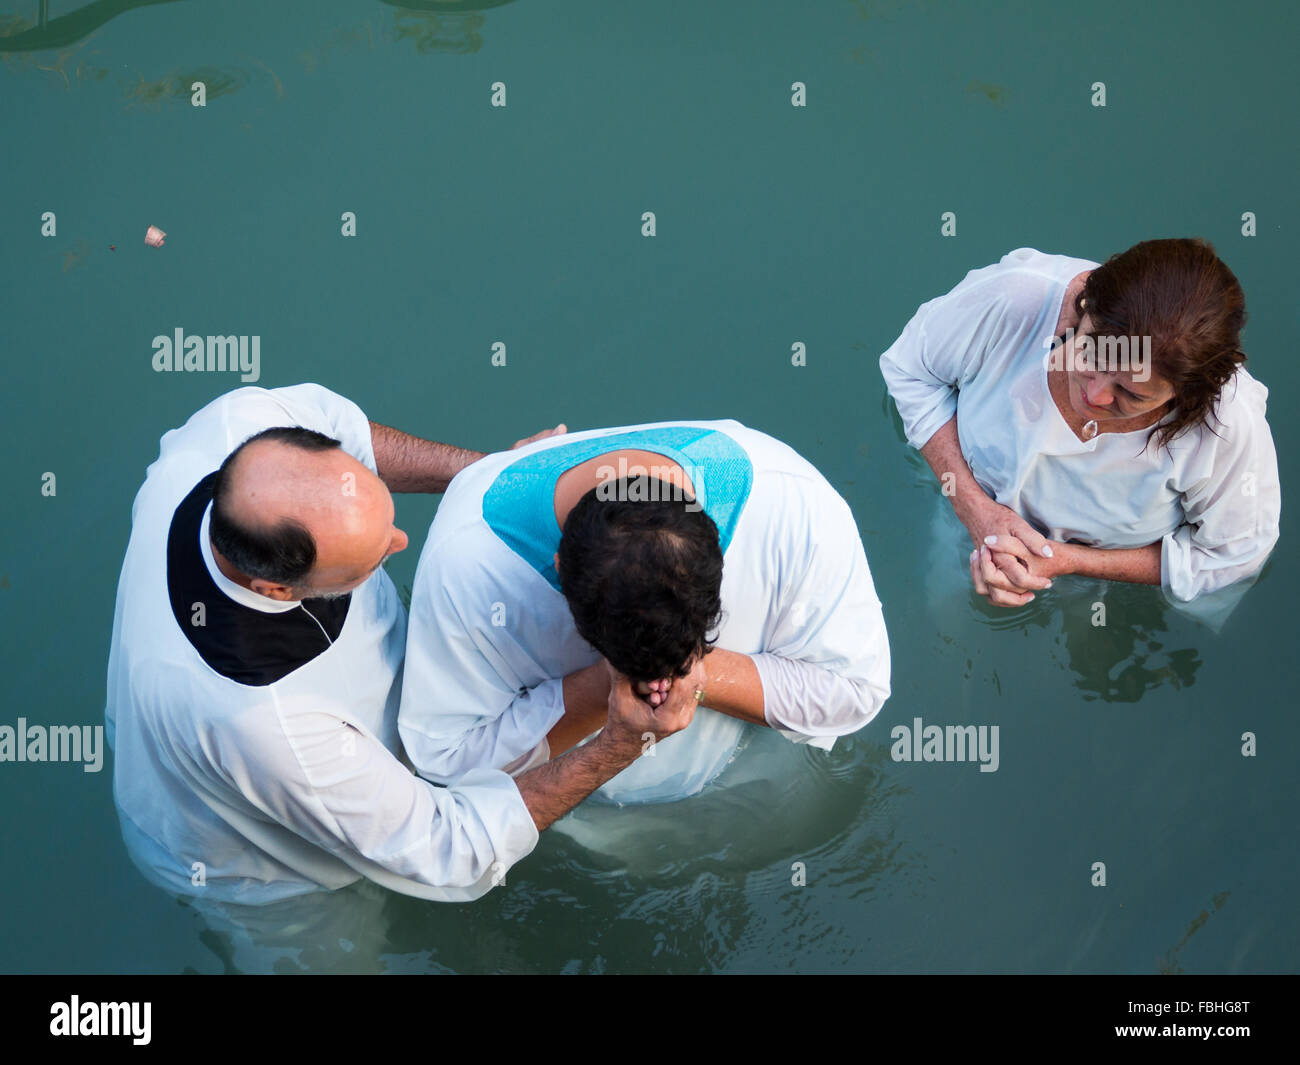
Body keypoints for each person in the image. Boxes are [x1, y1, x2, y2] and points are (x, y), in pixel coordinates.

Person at [105, 383, 703, 905]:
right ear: (277, 589)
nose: (400, 539)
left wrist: (488, 480)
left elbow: (354, 436)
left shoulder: (237, 423)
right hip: (262, 871)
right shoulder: (268, 722)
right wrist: (622, 743)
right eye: (370, 558)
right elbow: (450, 849)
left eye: (382, 513)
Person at [398, 420, 891, 805]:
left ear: (718, 550)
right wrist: (605, 692)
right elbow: (445, 760)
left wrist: (698, 676)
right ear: (557, 571)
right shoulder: (464, 569)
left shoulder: (796, 507)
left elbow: (855, 691)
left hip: (745, 777)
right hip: (578, 810)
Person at [879, 241, 1280, 611]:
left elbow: (1235, 555)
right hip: (964, 521)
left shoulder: (1227, 424)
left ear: (1184, 397)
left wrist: (1070, 562)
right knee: (945, 616)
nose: (1096, 394)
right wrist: (974, 509)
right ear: (1085, 304)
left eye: (1131, 394)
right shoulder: (1016, 299)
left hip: (1115, 582)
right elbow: (911, 371)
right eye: (1091, 352)